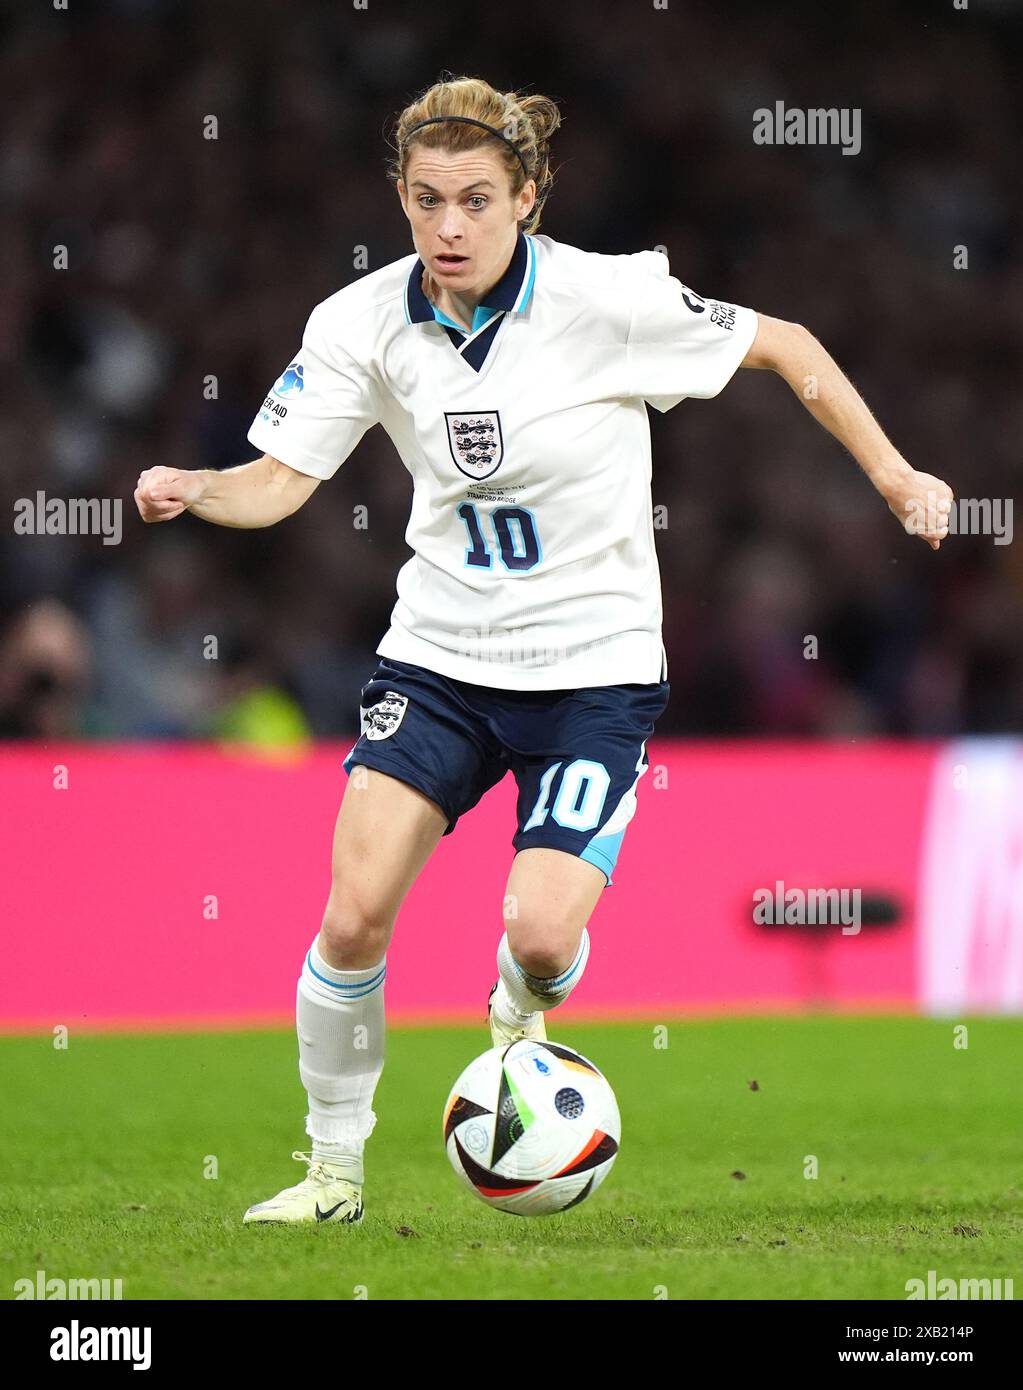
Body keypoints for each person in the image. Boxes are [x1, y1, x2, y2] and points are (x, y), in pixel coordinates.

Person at [134, 75, 954, 1226]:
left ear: (527, 197)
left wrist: (895, 474)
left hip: (593, 672)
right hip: (438, 658)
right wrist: (198, 487)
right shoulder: (359, 319)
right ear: (403, 200)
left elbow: (789, 345)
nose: (449, 227)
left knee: (540, 930)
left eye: (476, 199)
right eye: (426, 201)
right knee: (355, 912)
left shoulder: (608, 300)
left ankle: (522, 1002)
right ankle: (332, 1176)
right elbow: (278, 484)